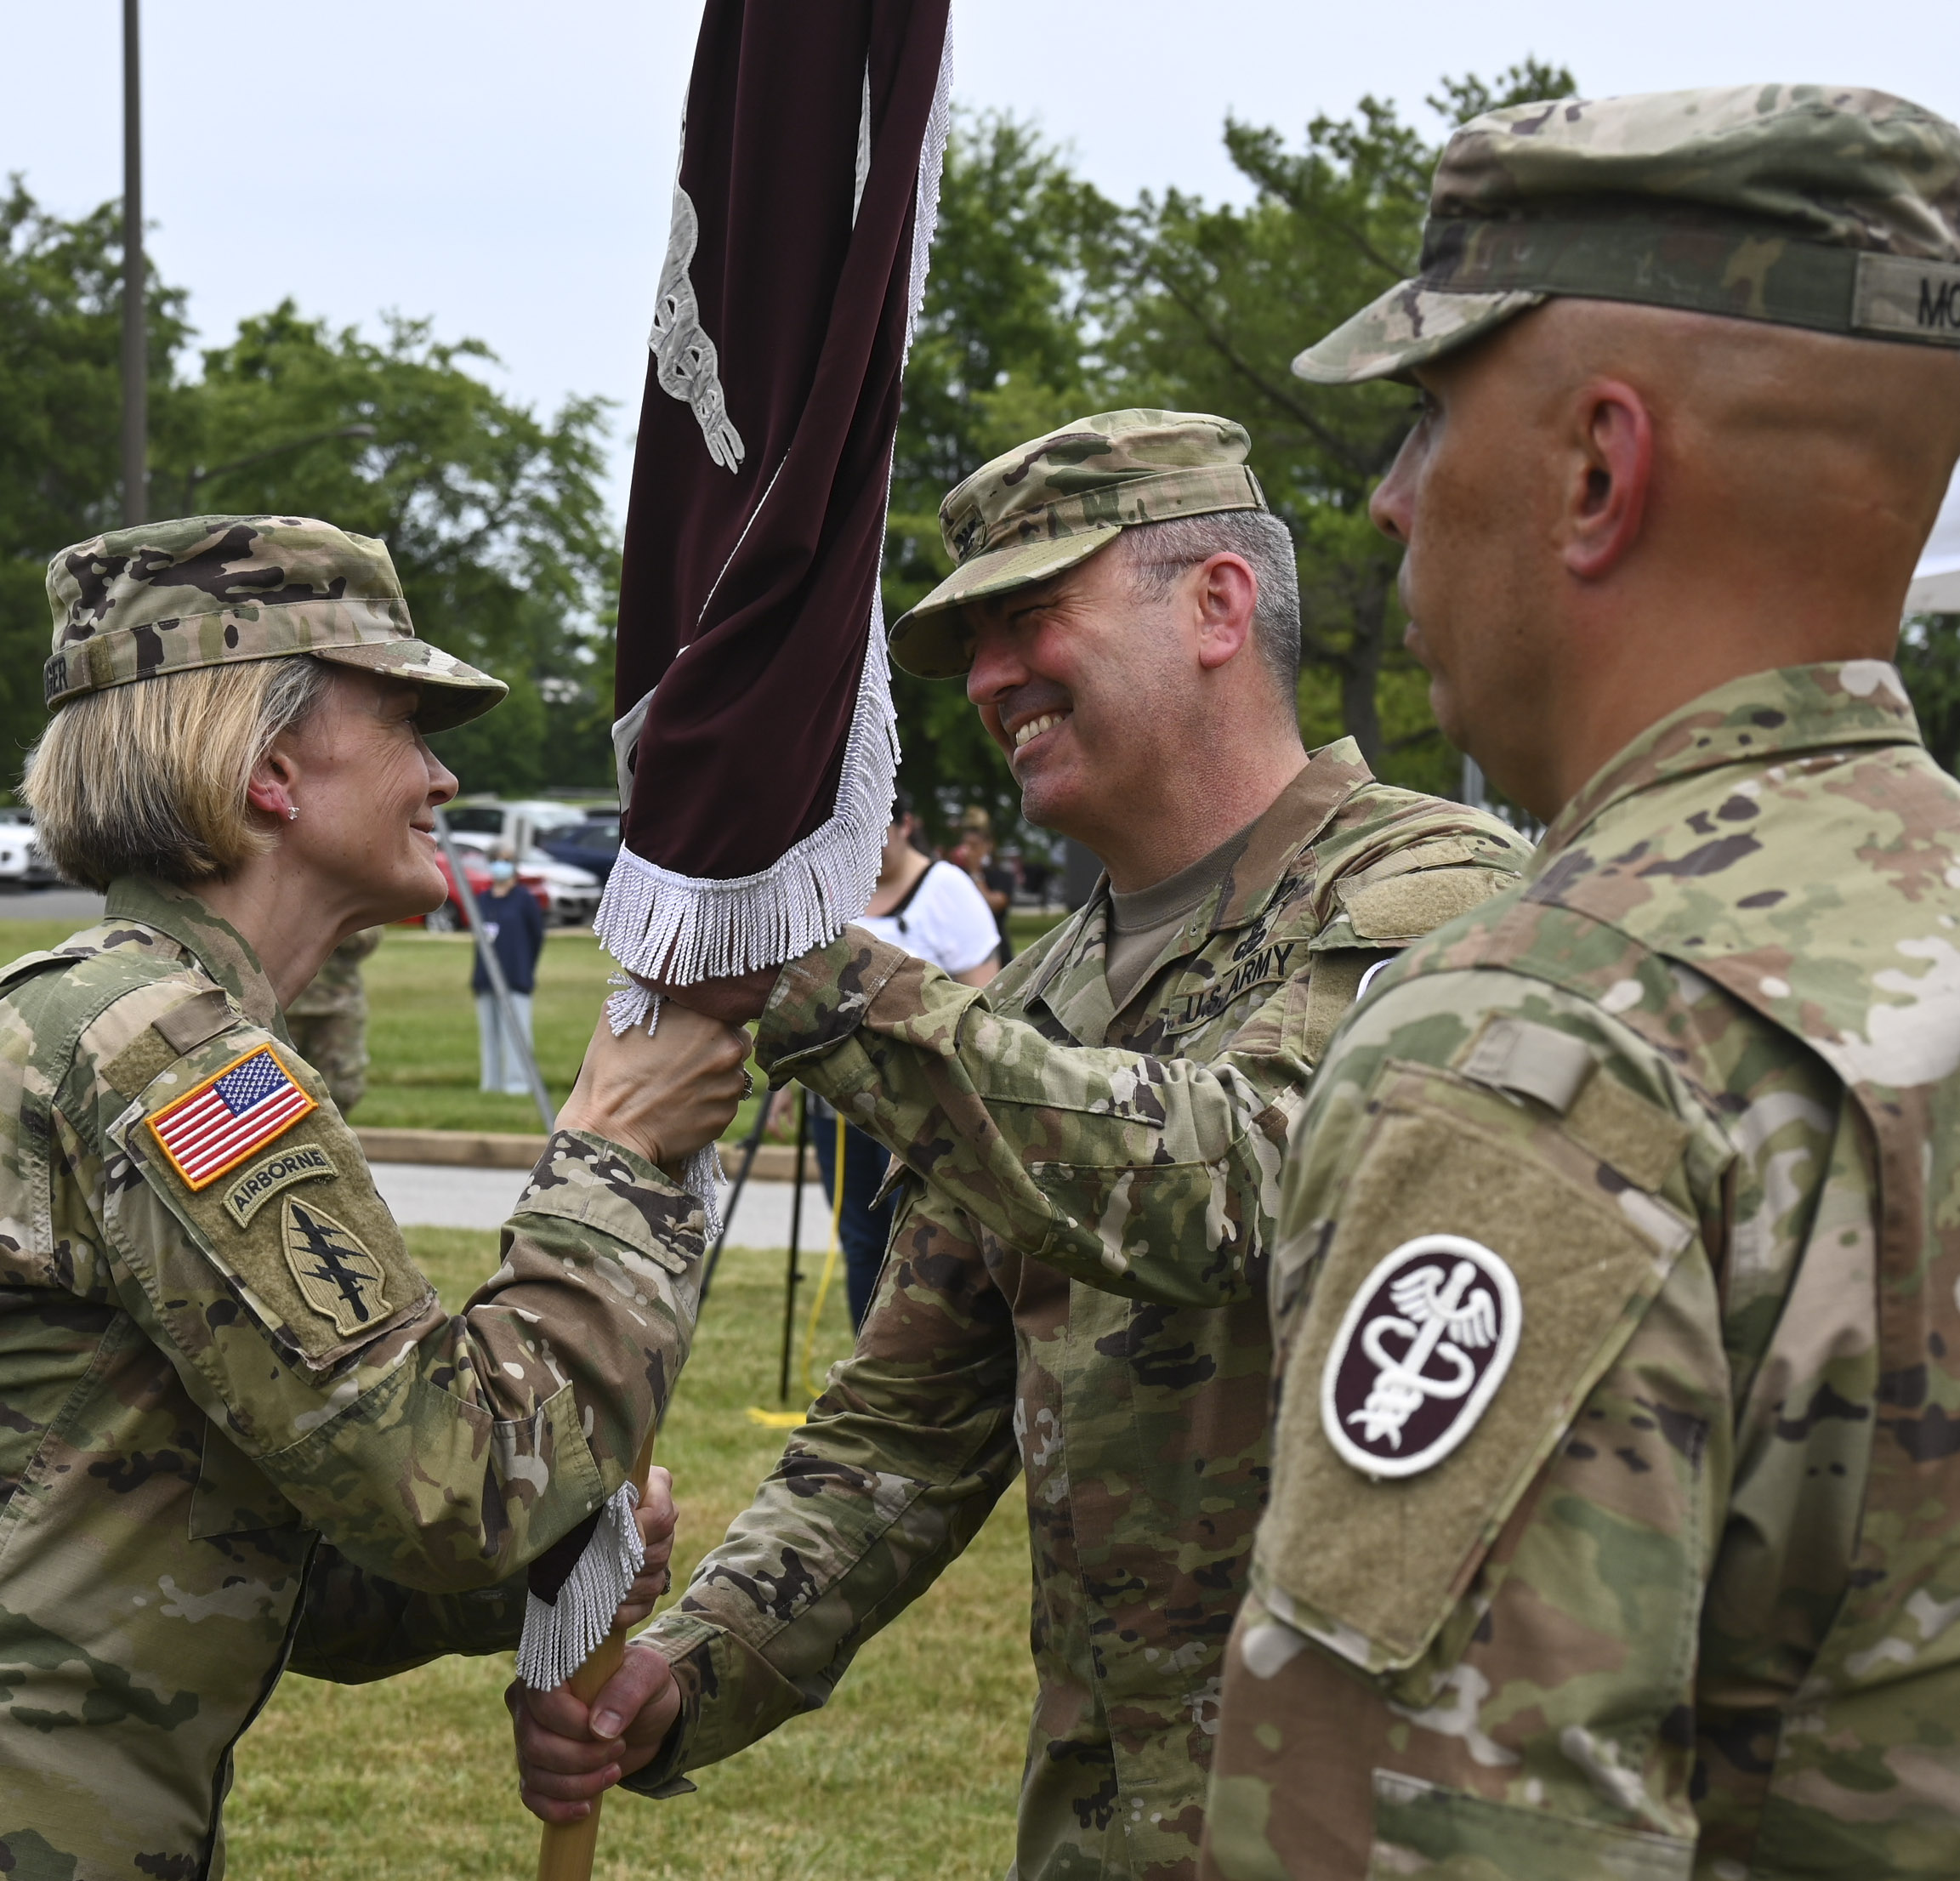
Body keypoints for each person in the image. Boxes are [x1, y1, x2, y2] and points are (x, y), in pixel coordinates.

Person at [0, 514, 749, 1881]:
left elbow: (258, 1560)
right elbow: (450, 1482)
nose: (442, 773)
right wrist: (615, 1147)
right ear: (268, 772)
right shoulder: (159, 1048)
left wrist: (547, 1573)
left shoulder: (136, 1019)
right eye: (403, 722)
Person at [513, 409, 1527, 1875]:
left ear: (1217, 605)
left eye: (1029, 614)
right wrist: (680, 1672)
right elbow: (900, 1440)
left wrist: (806, 973)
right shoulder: (1036, 1008)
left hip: (1368, 1821)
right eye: (971, 643)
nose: (989, 678)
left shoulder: (1439, 894)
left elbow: (1250, 1180)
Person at [1190, 88, 1960, 1878]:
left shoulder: (1546, 1040)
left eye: (1429, 415)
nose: (1387, 500)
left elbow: (1415, 1834)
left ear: (1598, 471)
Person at [804, 793, 1002, 1327]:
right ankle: (866, 1358)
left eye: (869, 831)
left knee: (919, 1240)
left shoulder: (946, 889)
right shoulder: (835, 889)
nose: (857, 848)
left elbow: (989, 1003)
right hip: (837, 1108)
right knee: (860, 1241)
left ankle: (921, 1358)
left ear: (904, 824)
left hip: (921, 1107)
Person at [471, 845, 547, 1094]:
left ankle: (518, 1085)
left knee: (517, 1034)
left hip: (515, 976)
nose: (499, 865)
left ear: (514, 865)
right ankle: (490, 1085)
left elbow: (536, 937)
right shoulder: (483, 900)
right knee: (489, 1035)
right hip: (486, 977)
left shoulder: (524, 900)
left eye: (505, 860)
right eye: (495, 860)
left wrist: (526, 967)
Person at [284, 923, 383, 1113]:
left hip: (336, 1005)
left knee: (340, 1089)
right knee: (270, 1090)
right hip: (280, 1004)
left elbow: (368, 939)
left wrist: (334, 923)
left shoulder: (348, 902)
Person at [948, 802, 1018, 965]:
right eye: (966, 845)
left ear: (988, 846)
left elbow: (994, 905)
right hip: (964, 954)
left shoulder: (1001, 875)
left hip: (997, 955)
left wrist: (976, 873)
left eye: (974, 846)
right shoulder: (957, 875)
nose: (968, 851)